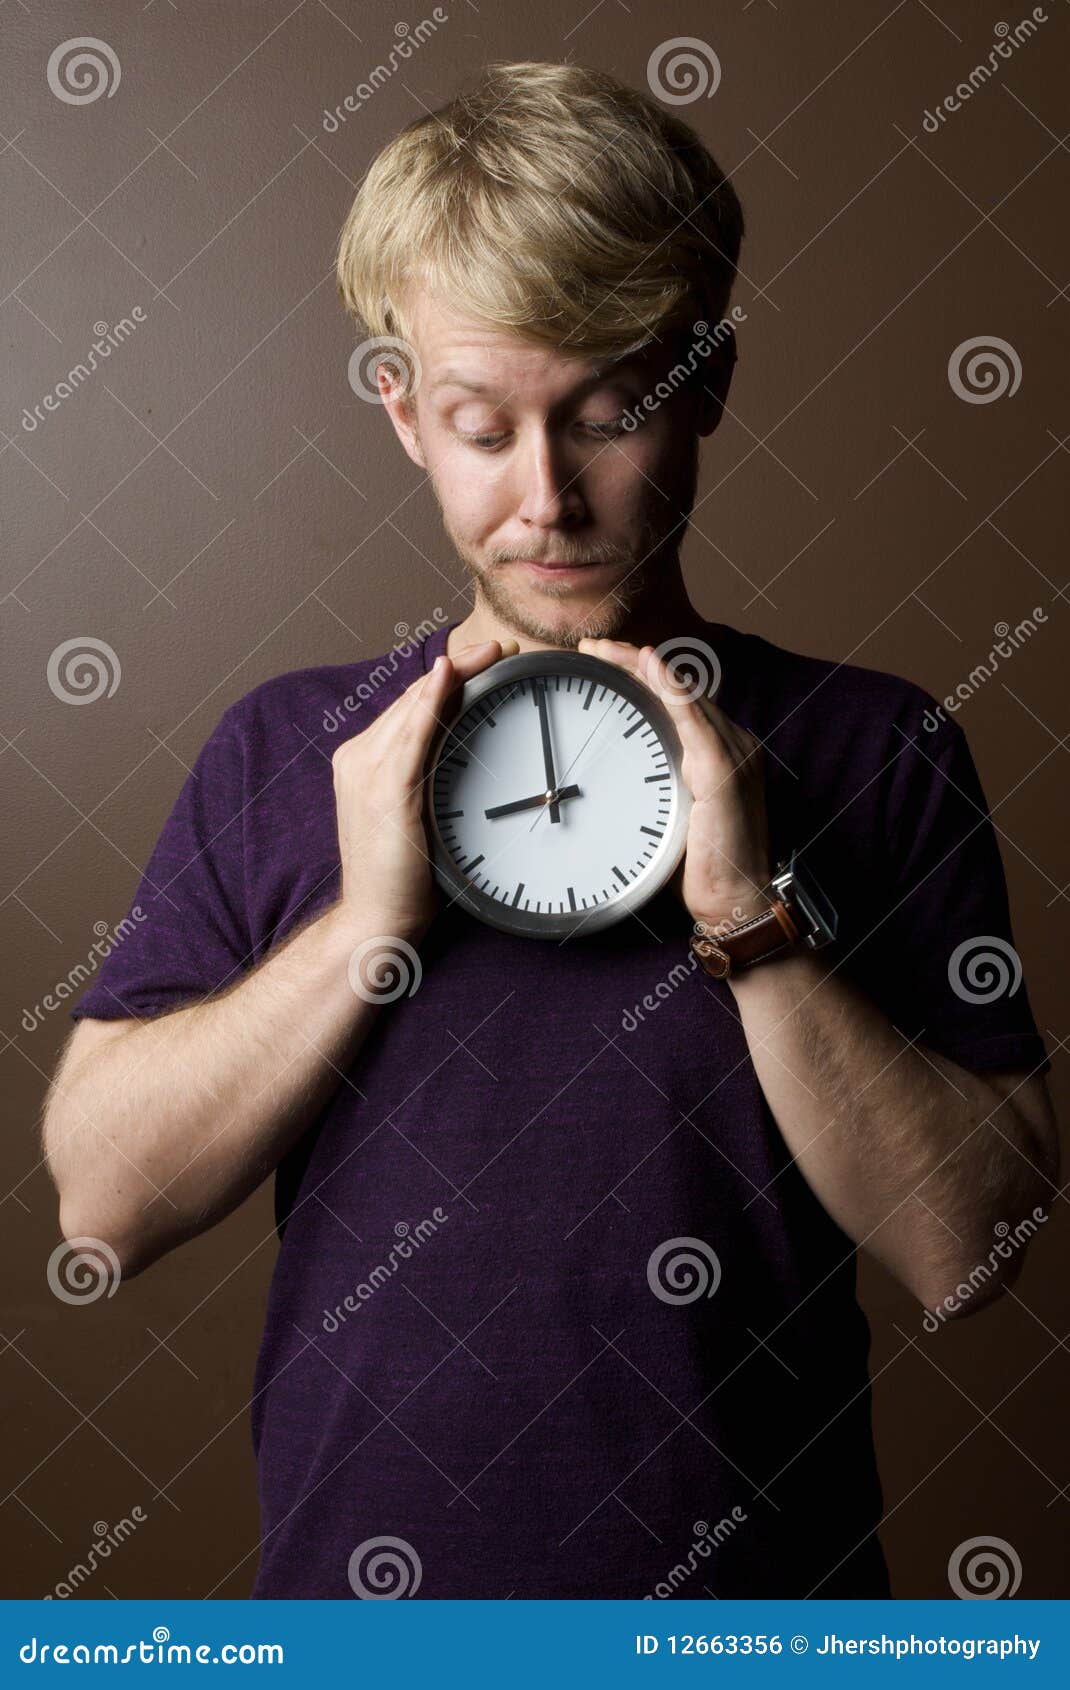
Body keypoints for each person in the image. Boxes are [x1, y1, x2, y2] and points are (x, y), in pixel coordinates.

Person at [44, 61, 1056, 1601]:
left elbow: (968, 1249)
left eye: (604, 416)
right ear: (399, 410)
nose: (547, 500)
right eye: (479, 423)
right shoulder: (286, 751)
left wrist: (746, 913)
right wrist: (367, 924)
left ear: (706, 380)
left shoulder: (874, 747)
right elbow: (98, 1201)